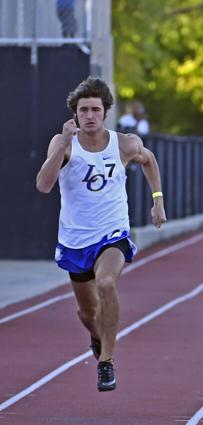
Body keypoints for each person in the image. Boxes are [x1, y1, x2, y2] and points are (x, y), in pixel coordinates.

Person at [35, 77, 166, 391]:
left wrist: (157, 200)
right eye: (84, 110)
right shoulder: (63, 143)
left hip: (112, 232)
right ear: (75, 114)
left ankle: (106, 361)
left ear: (106, 112)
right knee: (87, 312)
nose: (90, 115)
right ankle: (97, 337)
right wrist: (62, 146)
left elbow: (149, 160)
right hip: (75, 239)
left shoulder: (124, 143)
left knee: (106, 283)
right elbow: (43, 184)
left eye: (95, 109)